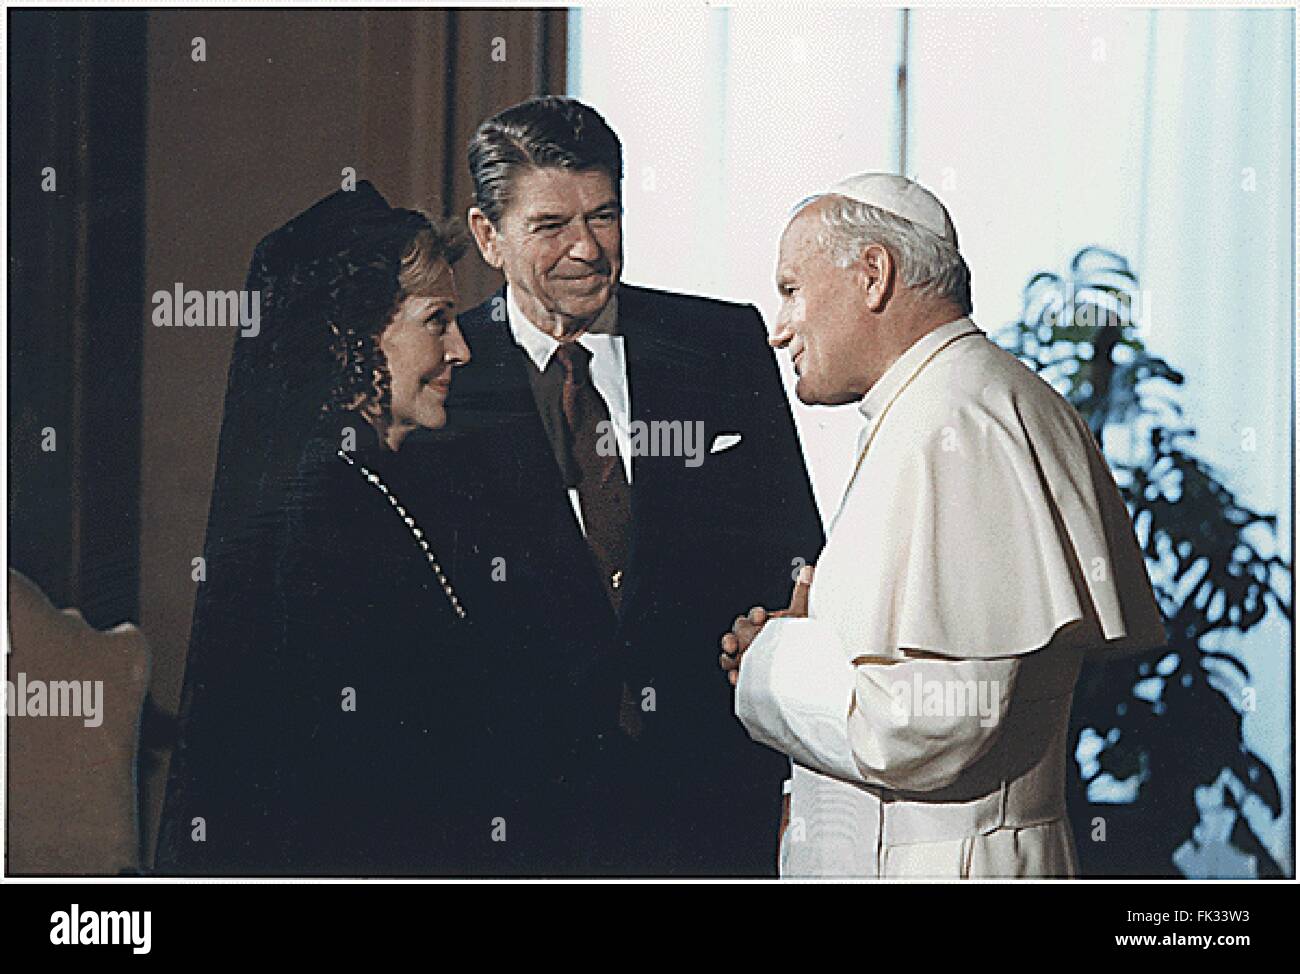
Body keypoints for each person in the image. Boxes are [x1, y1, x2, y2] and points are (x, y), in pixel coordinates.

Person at [719, 173, 1167, 878]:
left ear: (873, 275)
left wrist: (770, 663)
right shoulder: (962, 399)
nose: (779, 330)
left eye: (791, 290)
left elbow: (931, 725)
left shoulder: (954, 419)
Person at [420, 97, 824, 875]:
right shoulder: (444, 375)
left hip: (708, 809)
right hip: (511, 824)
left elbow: (798, 553)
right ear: (486, 237)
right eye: (550, 226)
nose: (586, 250)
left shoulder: (720, 345)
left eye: (603, 217)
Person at [155, 182, 523, 875]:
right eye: (437, 321)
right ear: (352, 335)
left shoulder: (378, 484)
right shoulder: (313, 513)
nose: (462, 350)